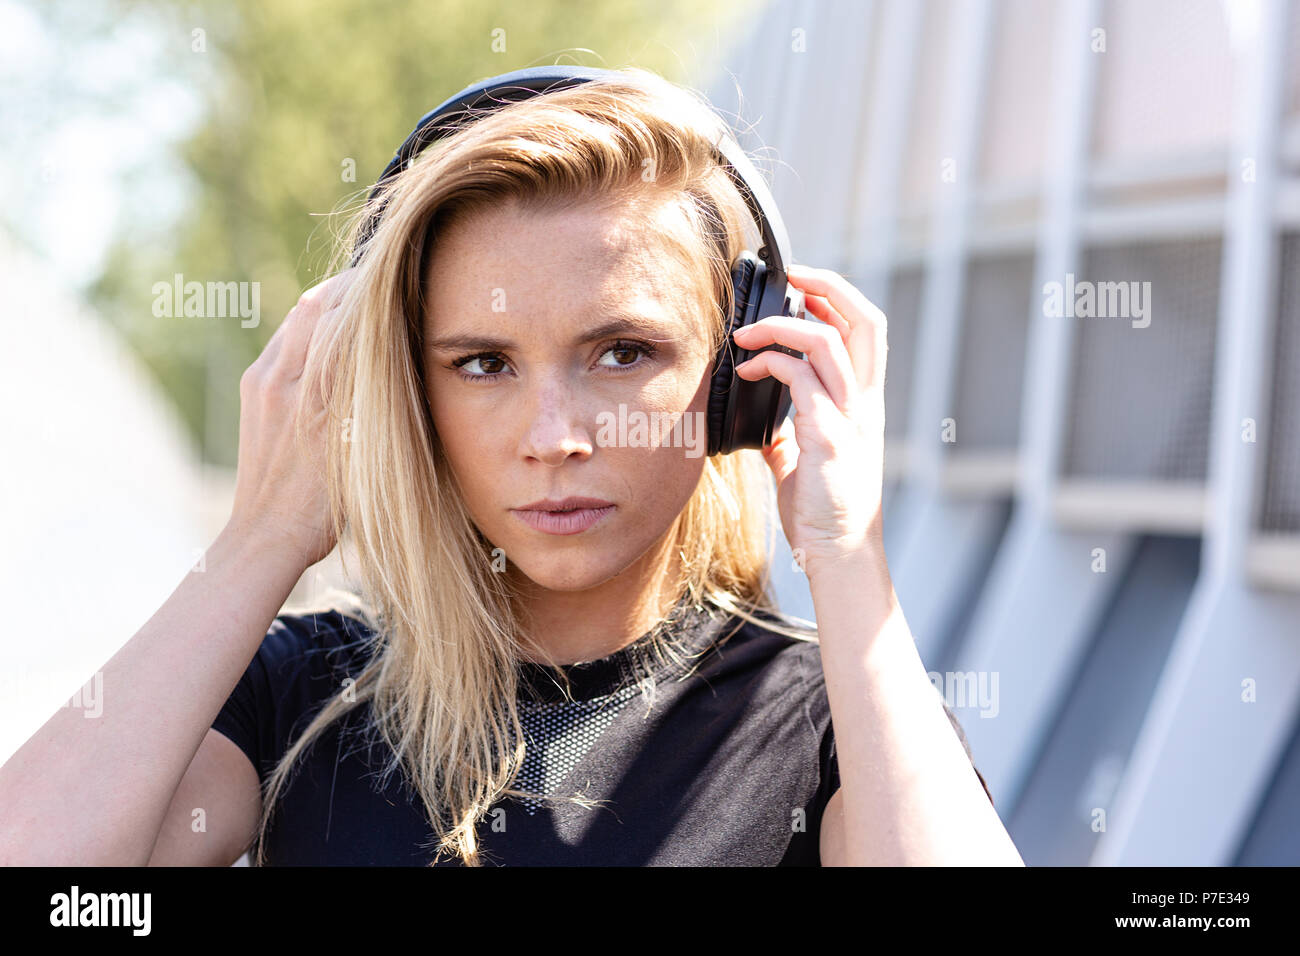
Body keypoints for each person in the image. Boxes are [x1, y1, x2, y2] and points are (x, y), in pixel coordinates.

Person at [0, 66, 1020, 867]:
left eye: (622, 351)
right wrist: (257, 543)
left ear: (738, 380)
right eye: (483, 363)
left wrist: (847, 555)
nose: (552, 433)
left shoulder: (825, 718)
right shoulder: (302, 699)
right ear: (406, 392)